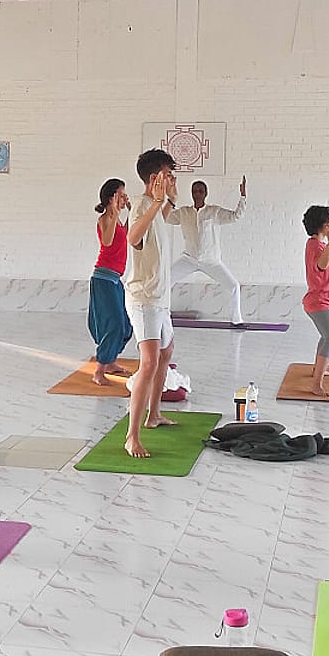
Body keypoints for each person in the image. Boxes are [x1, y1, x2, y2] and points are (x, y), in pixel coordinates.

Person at [124, 149, 179, 458]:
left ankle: (154, 414)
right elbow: (133, 237)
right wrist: (158, 201)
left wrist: (168, 197)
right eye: (168, 175)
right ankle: (132, 436)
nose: (172, 179)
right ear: (155, 178)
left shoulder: (157, 208)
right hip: (143, 298)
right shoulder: (143, 206)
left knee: (167, 351)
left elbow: (167, 215)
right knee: (148, 363)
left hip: (160, 298)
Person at [168, 177, 247, 325]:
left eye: (200, 191)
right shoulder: (183, 212)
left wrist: (243, 196)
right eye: (195, 191)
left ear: (206, 193)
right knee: (165, 281)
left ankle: (237, 320)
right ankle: (162, 315)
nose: (197, 194)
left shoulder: (214, 212)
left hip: (212, 261)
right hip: (189, 259)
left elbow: (236, 216)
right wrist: (167, 195)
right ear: (191, 193)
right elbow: (166, 217)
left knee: (234, 286)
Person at [88, 178, 133, 385]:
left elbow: (126, 236)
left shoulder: (116, 219)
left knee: (125, 324)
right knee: (113, 325)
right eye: (121, 194)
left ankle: (111, 361)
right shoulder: (105, 219)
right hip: (103, 279)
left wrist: (129, 214)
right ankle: (99, 370)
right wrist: (114, 213)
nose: (124, 198)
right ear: (111, 197)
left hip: (115, 279)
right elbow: (107, 241)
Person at [302, 205, 329, 397]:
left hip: (320, 300)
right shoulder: (316, 245)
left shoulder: (316, 245)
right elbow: (322, 266)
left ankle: (318, 370)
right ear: (322, 225)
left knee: (325, 337)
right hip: (318, 302)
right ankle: (316, 384)